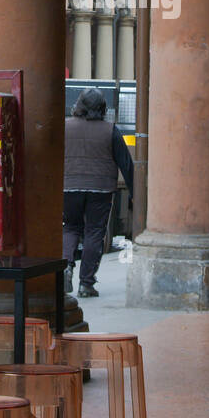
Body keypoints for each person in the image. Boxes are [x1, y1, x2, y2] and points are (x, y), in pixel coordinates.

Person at [63, 87, 133, 298]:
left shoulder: (65, 127)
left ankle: (66, 267)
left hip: (69, 186)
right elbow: (126, 164)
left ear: (79, 106)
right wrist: (134, 193)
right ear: (103, 108)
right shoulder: (110, 130)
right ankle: (86, 284)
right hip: (100, 189)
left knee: (70, 228)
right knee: (94, 232)